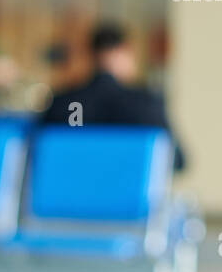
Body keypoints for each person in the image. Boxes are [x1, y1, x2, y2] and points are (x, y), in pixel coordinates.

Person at [40, 21, 187, 171]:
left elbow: (38, 155)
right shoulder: (146, 105)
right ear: (125, 51)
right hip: (130, 193)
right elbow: (177, 160)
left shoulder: (61, 104)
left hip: (68, 191)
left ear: (89, 56)